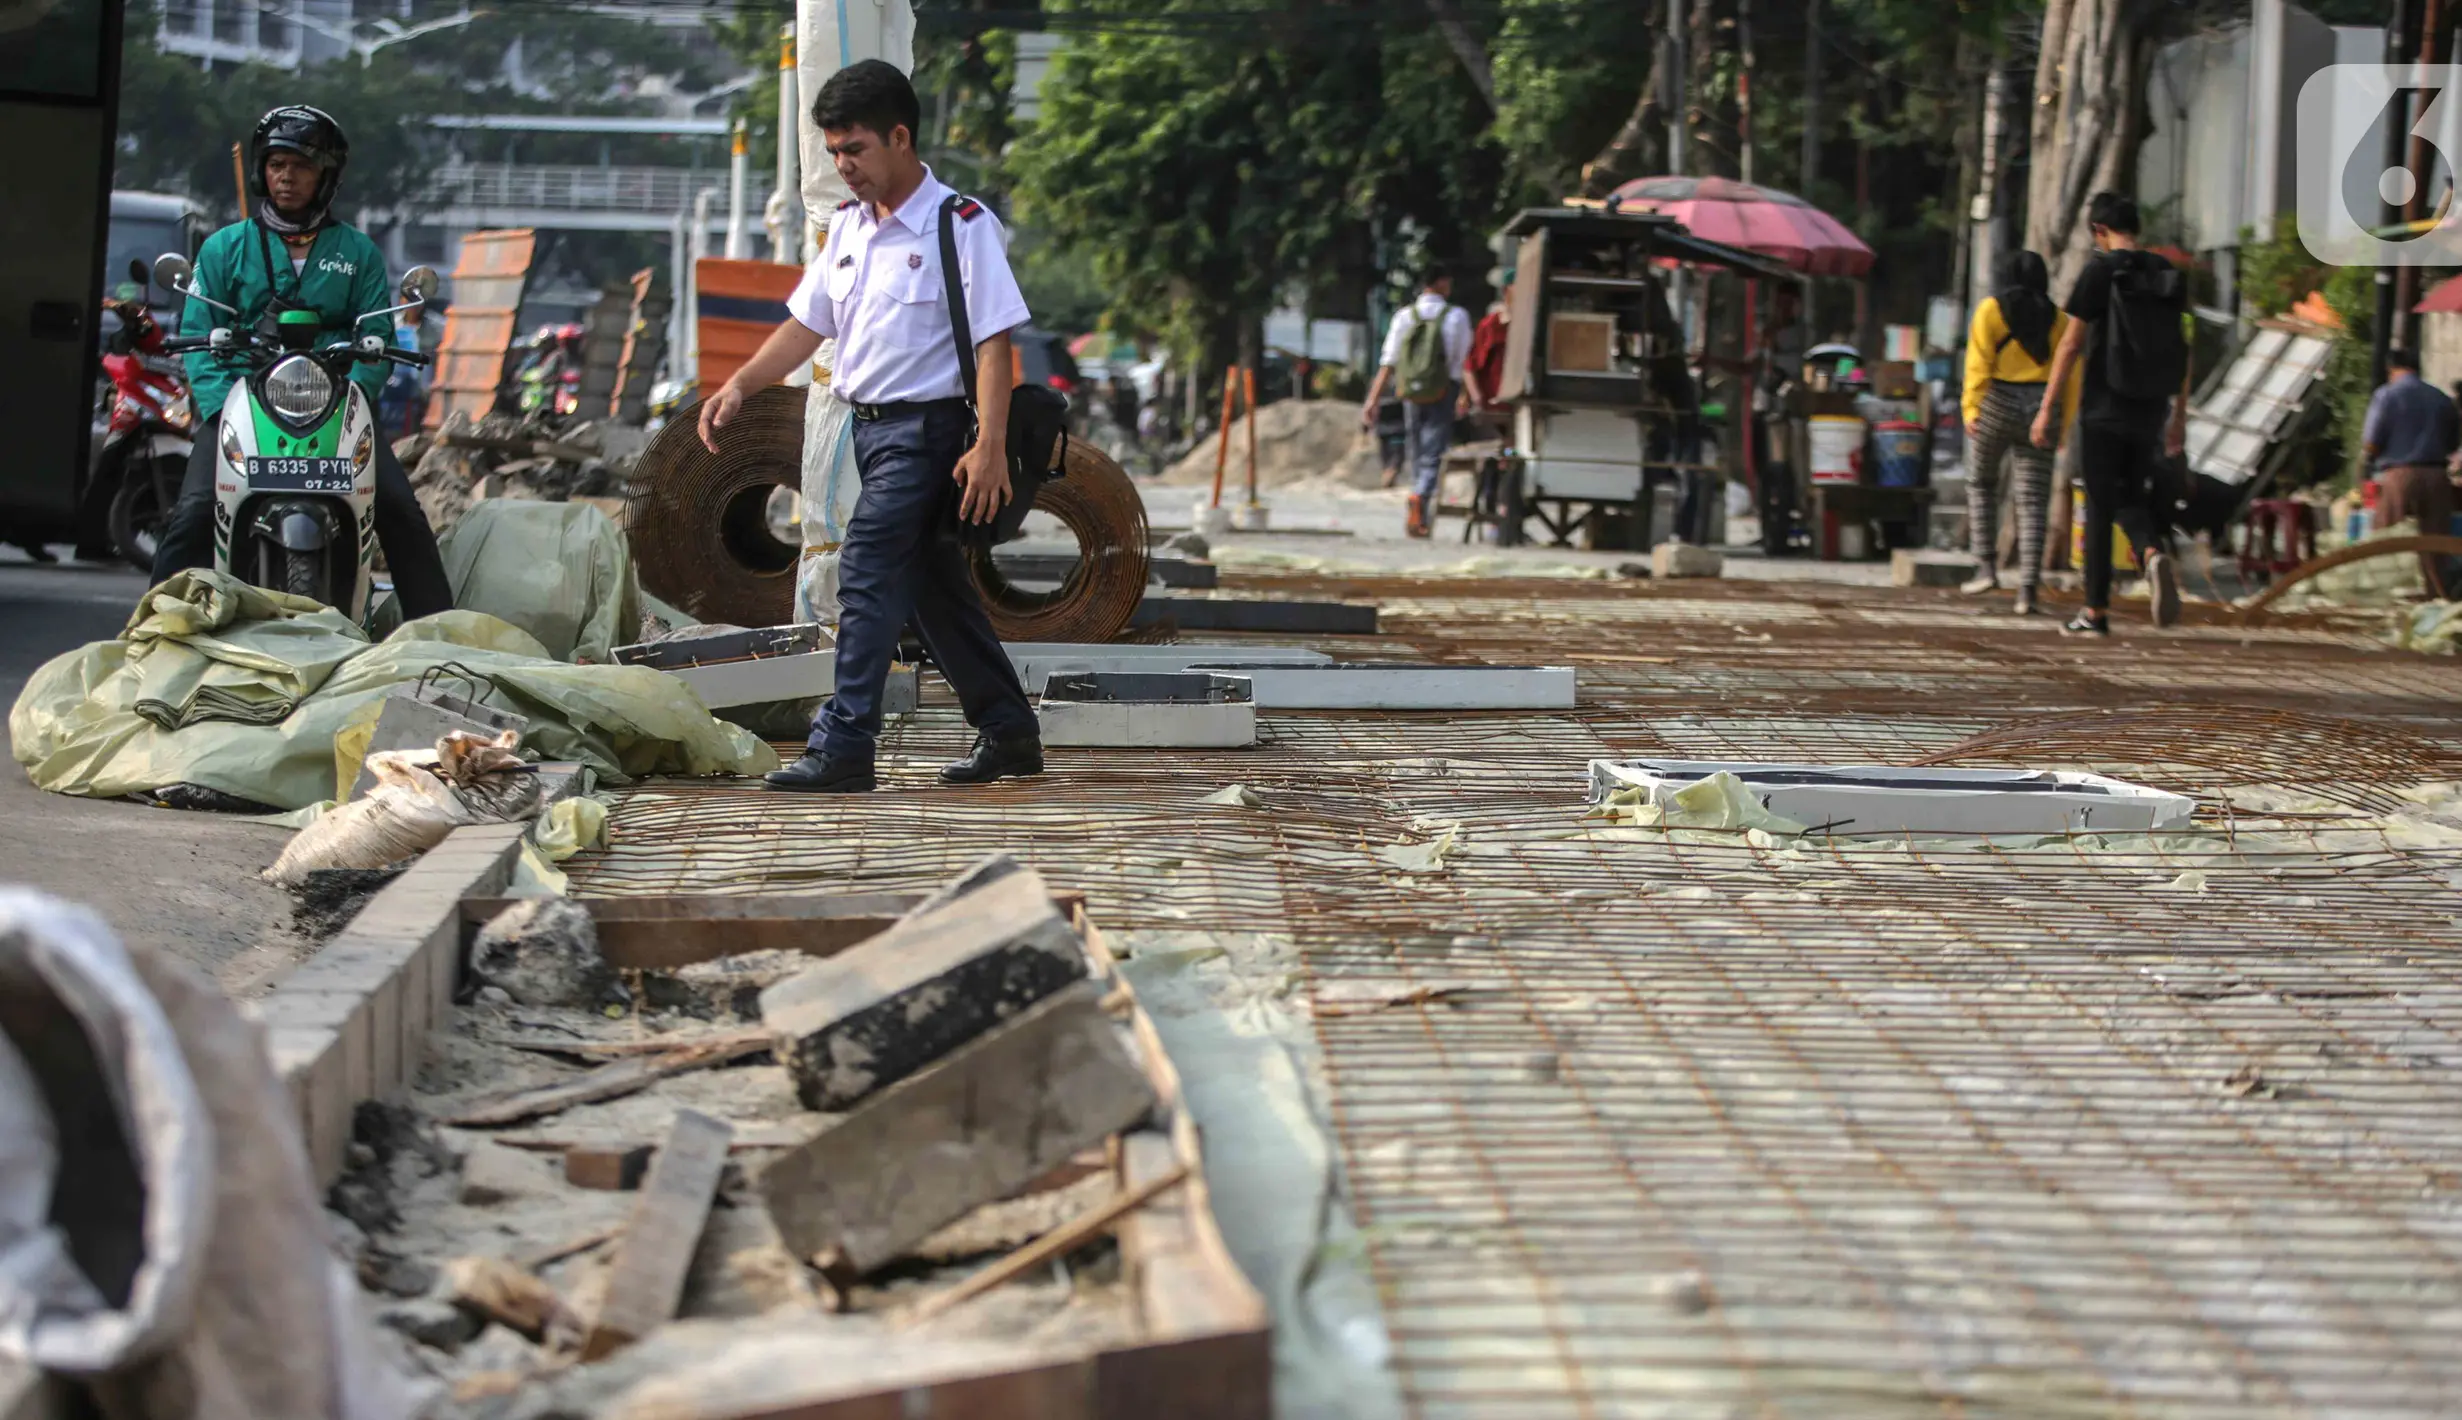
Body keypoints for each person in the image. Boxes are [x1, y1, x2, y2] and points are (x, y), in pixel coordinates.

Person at [700, 59, 1041, 795]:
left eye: (854, 149)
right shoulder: (849, 232)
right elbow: (803, 326)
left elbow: (993, 342)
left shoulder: (961, 226)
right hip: (871, 433)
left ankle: (845, 743)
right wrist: (739, 384)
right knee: (933, 594)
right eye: (833, 152)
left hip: (930, 437)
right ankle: (1010, 732)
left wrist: (988, 446)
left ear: (899, 136)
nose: (843, 167)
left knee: (864, 571)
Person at [151, 106, 452, 618]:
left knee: (401, 512)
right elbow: (198, 336)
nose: (286, 177)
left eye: (301, 166)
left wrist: (355, 394)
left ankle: (440, 641)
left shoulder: (357, 253)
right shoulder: (225, 248)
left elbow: (376, 335)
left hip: (336, 406)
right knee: (194, 513)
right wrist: (224, 406)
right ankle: (149, 634)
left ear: (326, 176)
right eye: (276, 165)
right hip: (243, 404)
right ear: (262, 172)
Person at [2030, 191, 2186, 636]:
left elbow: (2072, 344)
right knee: (2131, 496)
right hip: (2151, 408)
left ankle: (2096, 610)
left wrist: (2048, 409)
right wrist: (2179, 417)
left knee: (2100, 503)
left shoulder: (2100, 271)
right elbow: (2184, 351)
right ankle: (2150, 553)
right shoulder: (2167, 274)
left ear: (2099, 231)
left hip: (2103, 407)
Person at [1960, 249, 2079, 615]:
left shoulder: (1990, 310)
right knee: (2032, 500)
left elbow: (1979, 363)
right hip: (2042, 409)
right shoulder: (2060, 321)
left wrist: (1970, 407)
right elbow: (2072, 377)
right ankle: (2027, 590)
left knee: (1981, 483)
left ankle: (1986, 568)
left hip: (1997, 402)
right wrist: (2063, 424)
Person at [1361, 266, 1472, 537]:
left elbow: (1388, 361)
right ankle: (1420, 498)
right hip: (1444, 388)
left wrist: (1372, 400)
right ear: (1442, 282)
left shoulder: (1404, 316)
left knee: (1416, 445)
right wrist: (1465, 394)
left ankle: (1415, 494)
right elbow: (1463, 360)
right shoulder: (1456, 316)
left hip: (1410, 389)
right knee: (1435, 448)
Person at [2362, 346, 2460, 594]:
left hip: (2400, 475)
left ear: (2390, 369)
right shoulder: (2440, 398)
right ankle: (2435, 596)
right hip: (2437, 476)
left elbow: (2372, 441)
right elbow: (2453, 442)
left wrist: (2366, 464)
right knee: (2436, 544)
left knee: (2389, 540)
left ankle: (2389, 596)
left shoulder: (2386, 395)